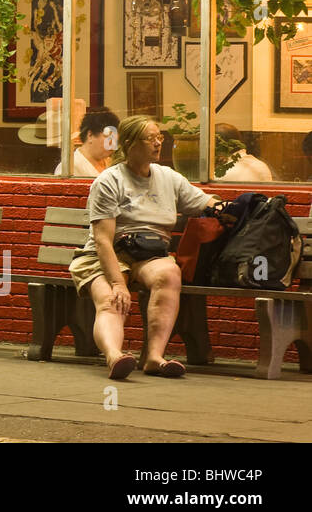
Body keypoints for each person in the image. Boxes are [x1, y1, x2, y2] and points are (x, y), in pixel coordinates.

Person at [68, 115, 222, 379]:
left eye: (159, 137)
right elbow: (103, 239)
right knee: (110, 300)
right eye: (150, 138)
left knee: (169, 274)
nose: (158, 143)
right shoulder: (109, 180)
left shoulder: (168, 177)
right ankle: (115, 356)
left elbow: (205, 202)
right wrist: (118, 283)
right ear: (129, 143)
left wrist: (234, 208)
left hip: (149, 254)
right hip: (107, 254)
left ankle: (154, 357)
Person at [55, 107, 120, 177]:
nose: (113, 145)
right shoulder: (70, 167)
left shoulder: (110, 162)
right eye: (110, 139)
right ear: (90, 135)